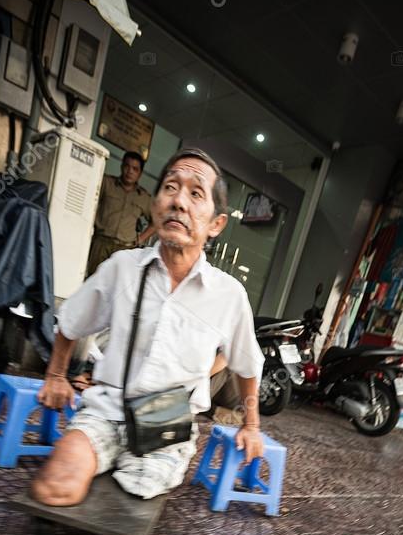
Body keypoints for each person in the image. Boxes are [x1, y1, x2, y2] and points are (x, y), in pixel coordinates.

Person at [32, 147, 265, 505]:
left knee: (131, 501)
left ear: (216, 223)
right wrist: (57, 375)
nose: (179, 202)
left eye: (195, 193)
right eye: (170, 188)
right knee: (56, 486)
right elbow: (72, 320)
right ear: (155, 205)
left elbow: (247, 365)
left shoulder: (228, 295)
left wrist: (251, 427)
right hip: (106, 411)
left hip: (166, 428)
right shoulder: (122, 267)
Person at [86, 150, 156, 277]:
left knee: (116, 284)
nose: (130, 171)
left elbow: (156, 222)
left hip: (125, 249)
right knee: (93, 279)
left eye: (135, 169)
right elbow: (89, 202)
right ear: (122, 166)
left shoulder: (144, 197)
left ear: (140, 173)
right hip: (101, 243)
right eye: (127, 166)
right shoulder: (107, 183)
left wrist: (141, 238)